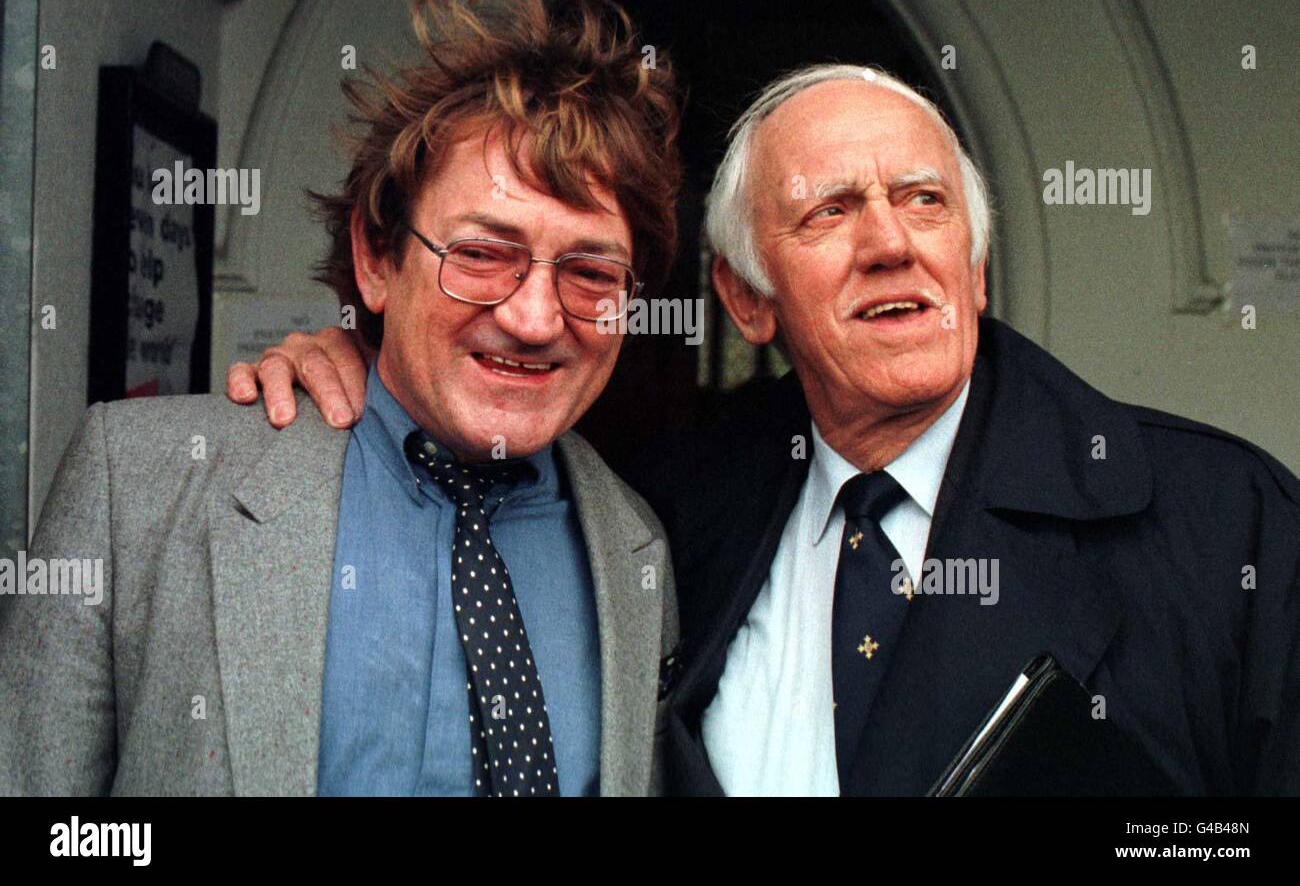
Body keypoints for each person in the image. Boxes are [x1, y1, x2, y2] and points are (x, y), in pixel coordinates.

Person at [225, 64, 1300, 797]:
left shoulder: (1227, 525)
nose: (889, 242)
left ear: (972, 267)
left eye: (924, 201)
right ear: (745, 299)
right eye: (828, 210)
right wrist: (364, 369)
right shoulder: (664, 510)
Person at [0, 0, 681, 797]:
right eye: (481, 254)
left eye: (590, 271)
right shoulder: (137, 487)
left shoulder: (636, 549)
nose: (536, 318)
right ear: (375, 255)